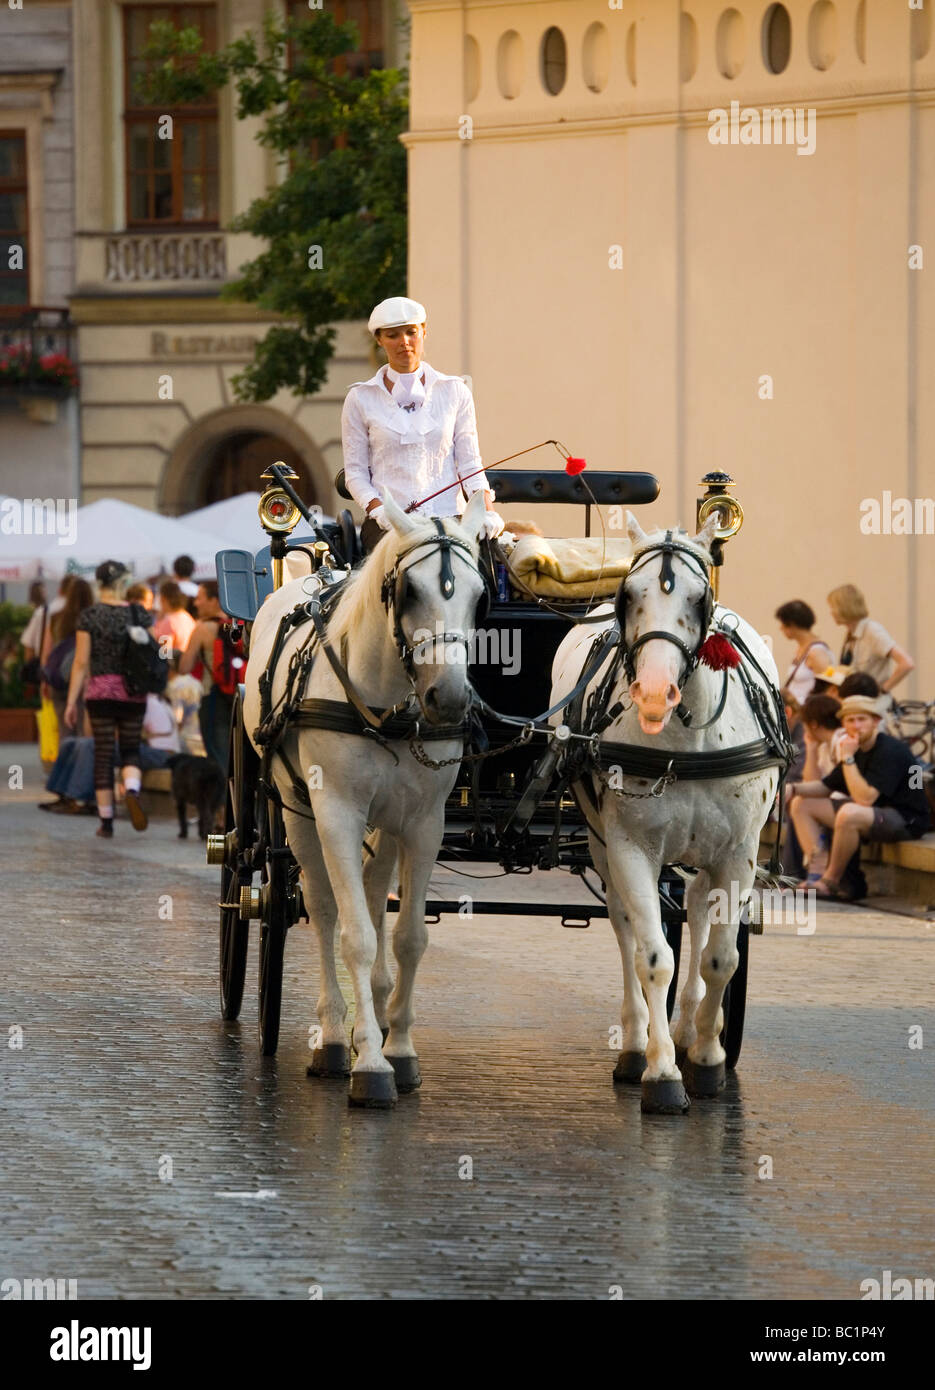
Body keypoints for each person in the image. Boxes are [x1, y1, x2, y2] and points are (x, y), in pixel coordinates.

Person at [341, 296, 504, 553]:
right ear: (380, 340)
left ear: (424, 332)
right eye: (393, 335)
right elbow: (356, 473)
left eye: (411, 332)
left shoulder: (455, 391)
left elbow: (470, 464)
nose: (404, 342)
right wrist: (379, 509)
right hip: (390, 525)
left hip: (450, 519)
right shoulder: (360, 398)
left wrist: (488, 511)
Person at [789, 694, 931, 900]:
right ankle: (816, 873)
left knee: (849, 813)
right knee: (801, 804)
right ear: (843, 724)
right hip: (875, 814)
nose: (856, 726)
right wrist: (791, 789)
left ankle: (830, 882)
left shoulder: (889, 749)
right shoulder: (858, 749)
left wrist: (847, 758)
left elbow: (865, 799)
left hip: (906, 819)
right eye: (850, 720)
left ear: (876, 721)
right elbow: (826, 786)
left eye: (862, 719)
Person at [63, 559, 151, 838]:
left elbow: (80, 662)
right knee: (130, 749)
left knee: (102, 755)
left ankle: (106, 822)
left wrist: (70, 702)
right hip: (133, 692)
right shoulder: (139, 614)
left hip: (100, 693)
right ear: (123, 584)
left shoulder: (89, 616)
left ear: (99, 583)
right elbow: (154, 653)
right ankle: (133, 790)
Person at [178, 580, 236, 773]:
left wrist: (168, 652)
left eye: (200, 598)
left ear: (214, 600)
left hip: (213, 698)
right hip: (241, 697)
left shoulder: (203, 628)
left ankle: (220, 801)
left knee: (217, 755)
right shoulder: (239, 625)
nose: (195, 603)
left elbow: (184, 667)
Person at [827, 584, 914, 702]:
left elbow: (907, 663)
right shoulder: (850, 634)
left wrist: (882, 690)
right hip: (854, 702)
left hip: (872, 705)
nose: (831, 613)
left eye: (833, 607)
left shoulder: (872, 631)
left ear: (844, 607)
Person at [39, 576, 94, 741]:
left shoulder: (56, 618)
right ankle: (83, 764)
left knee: (65, 729)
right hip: (85, 679)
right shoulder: (92, 619)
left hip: (58, 679)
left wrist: (45, 681)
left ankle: (66, 763)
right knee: (84, 729)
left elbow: (46, 654)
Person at [775, 600, 835, 704]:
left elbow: (827, 689)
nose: (781, 628)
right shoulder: (801, 649)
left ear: (792, 624)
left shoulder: (817, 652)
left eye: (783, 624)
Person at [152, 580, 196, 664]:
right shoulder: (187, 616)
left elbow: (164, 653)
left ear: (163, 599)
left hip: (173, 669)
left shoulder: (169, 621)